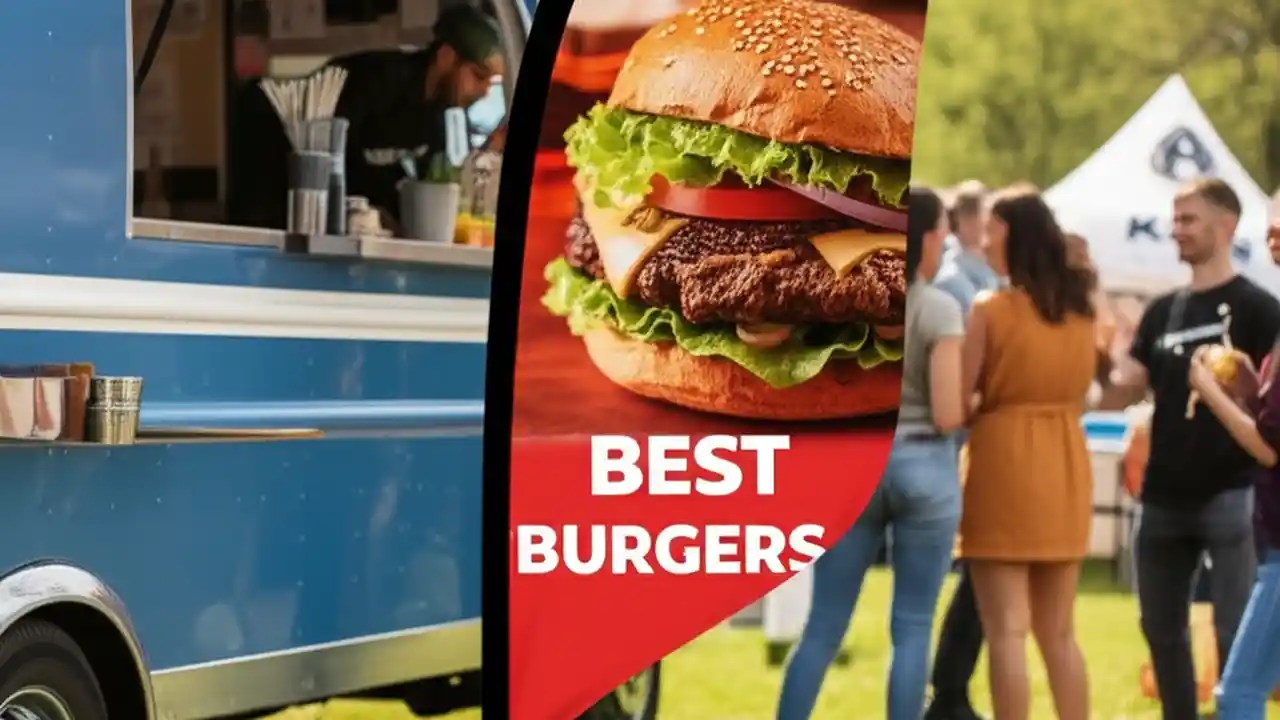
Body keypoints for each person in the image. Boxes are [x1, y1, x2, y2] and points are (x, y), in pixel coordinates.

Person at [776, 186, 965, 720]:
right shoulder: (940, 307)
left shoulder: (850, 296)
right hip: (926, 467)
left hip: (859, 465)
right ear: (927, 237)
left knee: (823, 626)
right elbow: (950, 413)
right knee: (911, 626)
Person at [1112, 178, 1280, 720]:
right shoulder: (1164, 311)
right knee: (1160, 632)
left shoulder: (1260, 309)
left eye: (1189, 219)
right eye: (1175, 219)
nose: (1176, 229)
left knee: (1237, 633)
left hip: (1233, 495)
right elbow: (1126, 382)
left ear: (1226, 224)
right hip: (1162, 495)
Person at [959, 186, 1096, 720]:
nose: (985, 239)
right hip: (1066, 462)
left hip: (1003, 465)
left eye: (992, 228)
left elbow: (962, 397)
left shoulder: (990, 309)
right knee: (1059, 632)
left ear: (1012, 234)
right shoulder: (1082, 311)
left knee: (1006, 630)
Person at [227, 5, 505, 230]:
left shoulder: (438, 121)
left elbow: (427, 192)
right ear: (446, 57)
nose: (482, 90)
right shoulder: (371, 82)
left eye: (490, 82)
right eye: (478, 76)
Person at [927, 180, 1000, 720]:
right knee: (972, 576)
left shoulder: (982, 282)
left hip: (975, 444)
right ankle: (946, 693)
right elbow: (959, 383)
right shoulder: (957, 287)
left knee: (979, 577)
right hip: (958, 445)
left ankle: (950, 693)